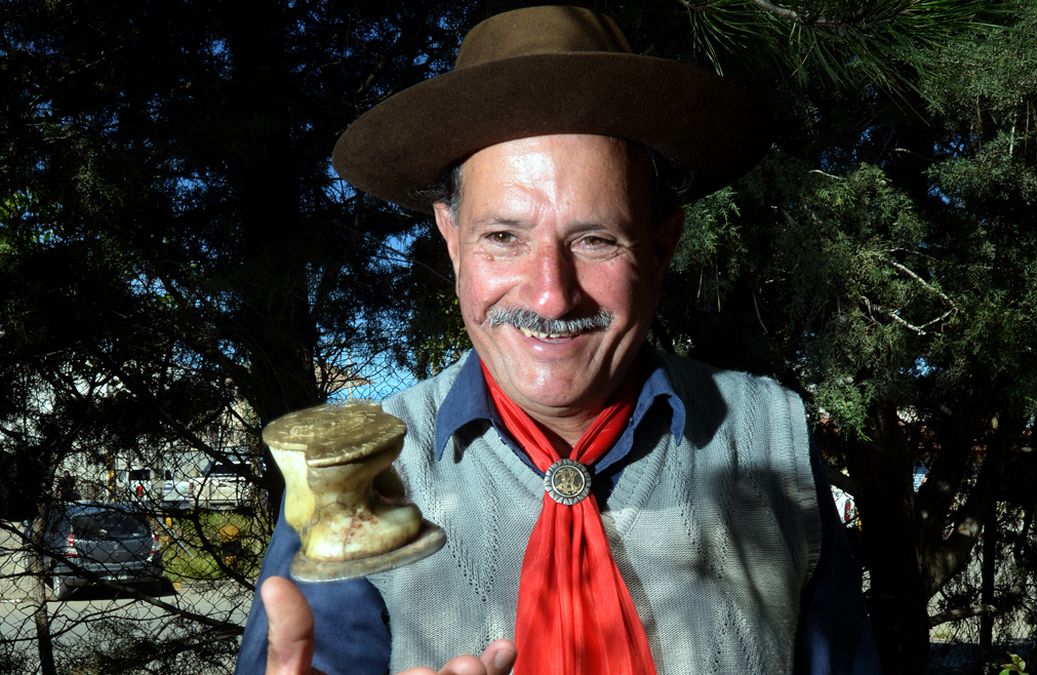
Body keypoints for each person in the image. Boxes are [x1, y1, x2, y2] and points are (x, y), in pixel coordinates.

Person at [237, 6, 881, 675]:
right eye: (503, 237)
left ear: (661, 247)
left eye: (595, 239)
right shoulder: (356, 472)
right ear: (452, 240)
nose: (551, 294)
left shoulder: (770, 438)